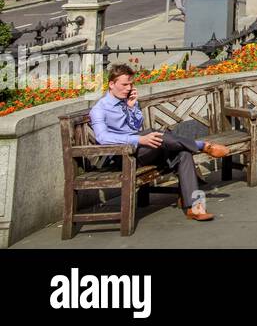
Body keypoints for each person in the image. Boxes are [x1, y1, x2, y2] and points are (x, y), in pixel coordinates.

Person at [90, 64, 231, 220]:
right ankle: (201, 145)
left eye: (130, 84)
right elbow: (102, 138)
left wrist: (132, 108)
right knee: (152, 133)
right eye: (124, 84)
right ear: (111, 84)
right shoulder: (100, 109)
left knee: (183, 153)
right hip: (123, 157)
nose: (128, 88)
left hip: (144, 151)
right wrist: (139, 139)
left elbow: (136, 127)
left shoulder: (126, 102)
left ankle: (194, 208)